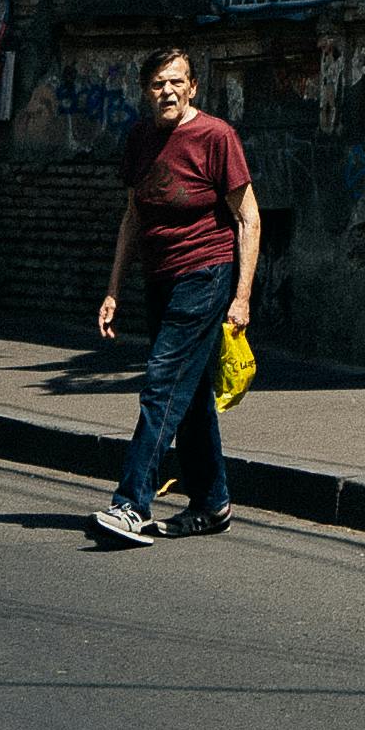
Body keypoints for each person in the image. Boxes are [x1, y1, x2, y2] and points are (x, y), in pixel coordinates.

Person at [88, 42, 258, 546]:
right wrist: (113, 289)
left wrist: (242, 296)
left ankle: (131, 504)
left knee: (162, 385)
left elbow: (248, 219)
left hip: (205, 275)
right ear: (146, 91)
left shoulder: (216, 137)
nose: (167, 91)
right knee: (193, 395)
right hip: (160, 278)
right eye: (158, 83)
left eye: (176, 82)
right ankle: (212, 503)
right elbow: (132, 218)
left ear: (193, 88)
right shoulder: (141, 138)